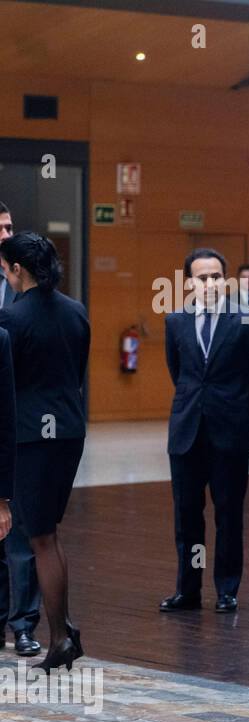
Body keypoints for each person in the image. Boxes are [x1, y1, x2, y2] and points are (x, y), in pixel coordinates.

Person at [160, 248, 249, 614]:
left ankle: (226, 588)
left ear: (226, 280)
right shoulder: (175, 320)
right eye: (202, 277)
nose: (210, 283)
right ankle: (188, 590)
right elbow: (179, 374)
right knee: (188, 517)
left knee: (228, 514)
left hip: (230, 431)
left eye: (216, 277)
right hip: (188, 431)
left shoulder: (246, 320)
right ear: (189, 282)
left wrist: (239, 413)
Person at [0, 233, 89, 672]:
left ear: (18, 270)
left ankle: (59, 638)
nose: (5, 274)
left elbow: (7, 389)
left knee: (39, 538)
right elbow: (78, 373)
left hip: (31, 438)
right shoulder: (76, 311)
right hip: (69, 432)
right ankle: (65, 631)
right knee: (48, 532)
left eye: (5, 268)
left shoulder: (11, 320)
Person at [0, 202, 41, 657]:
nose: (7, 233)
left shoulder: (26, 281)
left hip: (21, 419)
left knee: (20, 528)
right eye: (1, 228)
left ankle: (24, 624)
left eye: (11, 225)